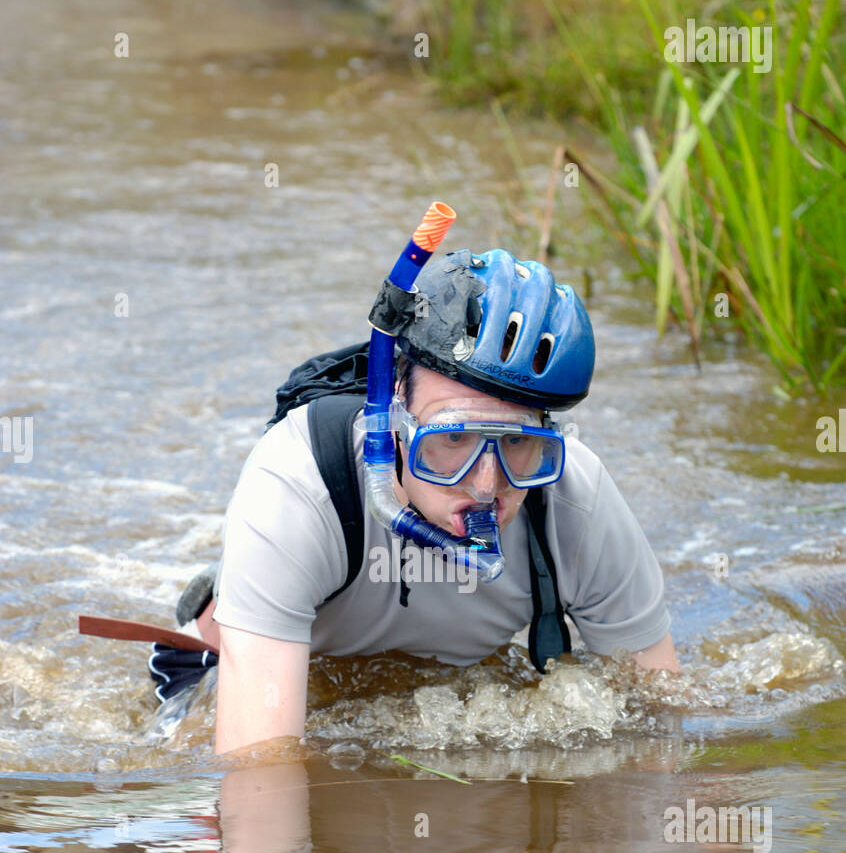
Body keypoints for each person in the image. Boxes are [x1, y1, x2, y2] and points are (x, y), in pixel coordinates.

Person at [199, 241, 679, 756]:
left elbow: (660, 720)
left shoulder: (574, 497)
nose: (486, 485)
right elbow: (259, 773)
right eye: (452, 439)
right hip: (231, 663)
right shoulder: (299, 485)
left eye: (518, 441)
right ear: (395, 418)